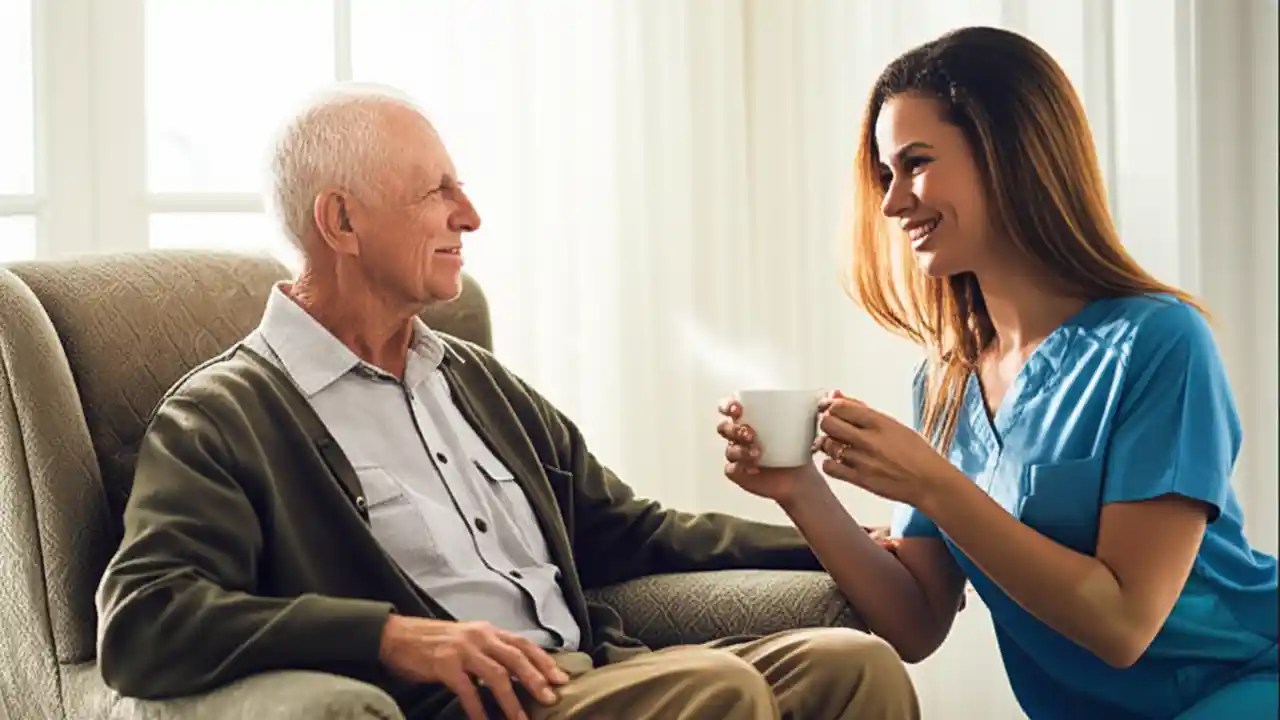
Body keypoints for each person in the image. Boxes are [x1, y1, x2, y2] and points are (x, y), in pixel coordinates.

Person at [95, 84, 920, 720]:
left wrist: (833, 543)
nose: (471, 215)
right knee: (716, 690)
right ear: (341, 221)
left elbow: (633, 532)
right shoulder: (224, 417)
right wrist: (388, 636)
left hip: (592, 674)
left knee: (854, 665)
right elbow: (144, 617)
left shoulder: (475, 383)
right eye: (436, 192)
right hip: (478, 705)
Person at [718, 26, 1278, 720]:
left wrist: (931, 481)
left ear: (1008, 153)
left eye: (915, 163)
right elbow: (917, 623)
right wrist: (799, 489)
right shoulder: (944, 385)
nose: (892, 204)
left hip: (1239, 686)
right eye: (886, 176)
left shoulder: (1160, 343)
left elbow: (1124, 625)